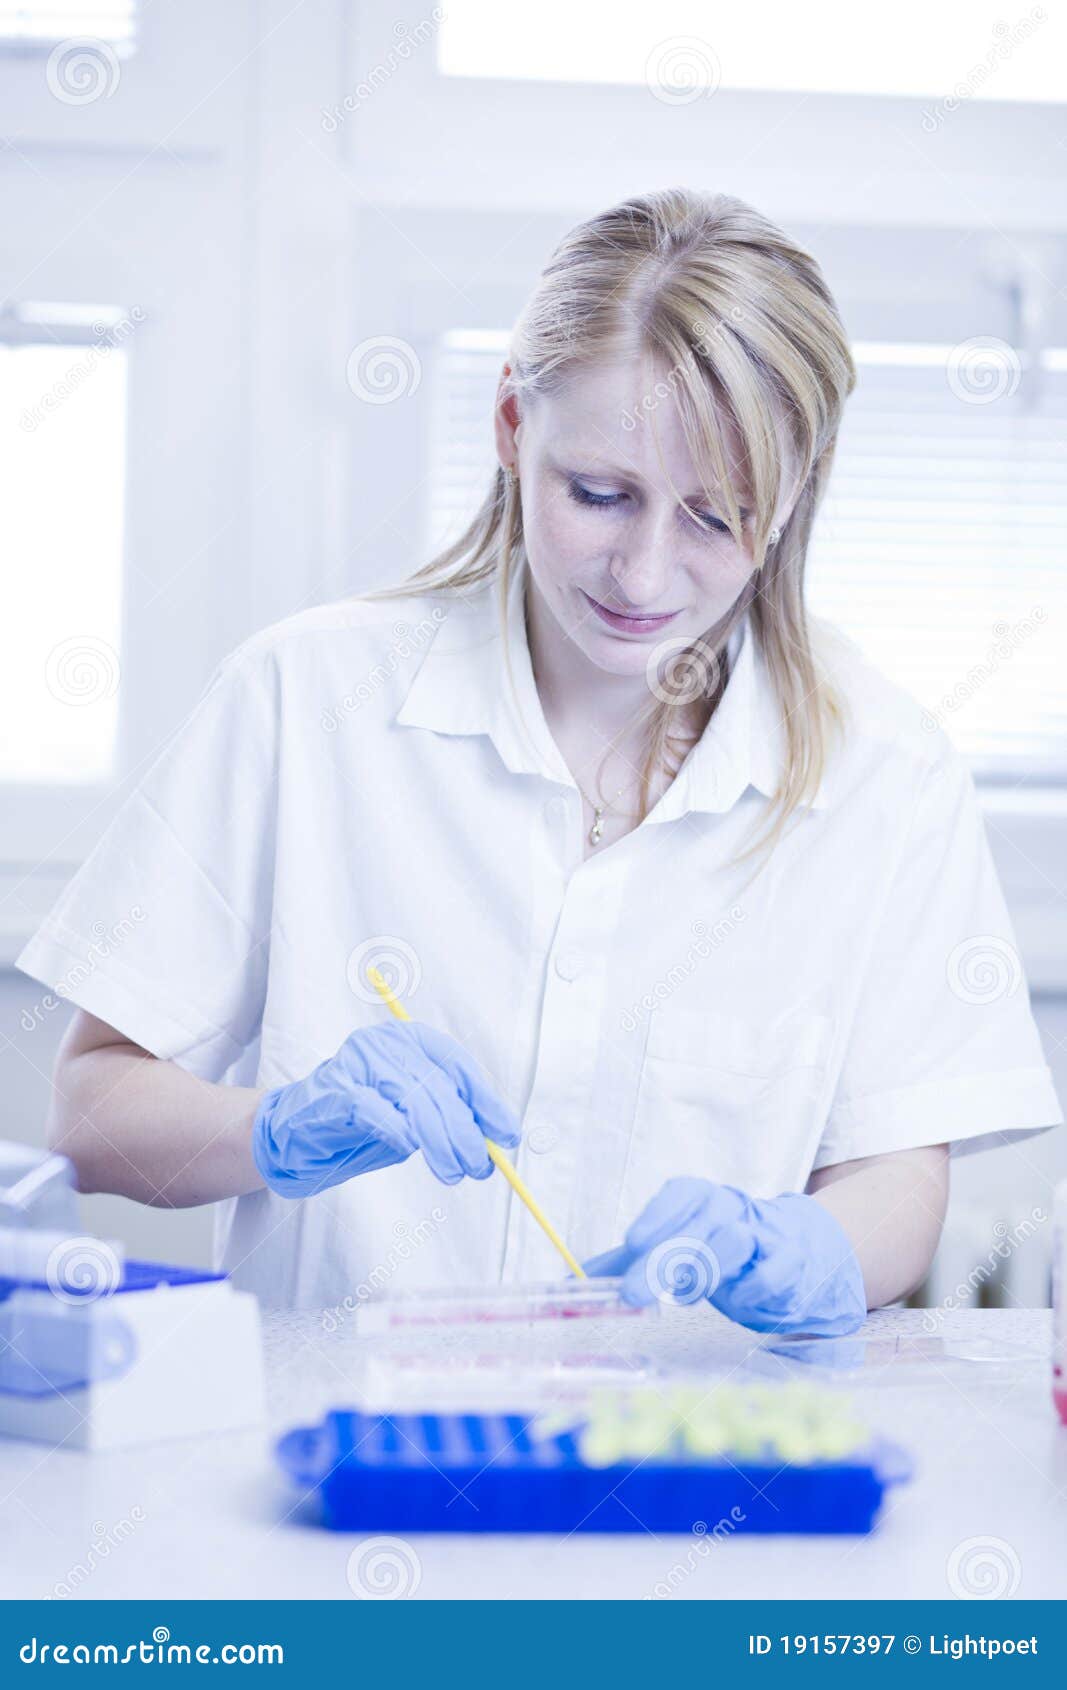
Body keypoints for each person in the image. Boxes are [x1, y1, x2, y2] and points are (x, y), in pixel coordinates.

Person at [17, 188, 1062, 1330]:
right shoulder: (305, 701)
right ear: (512, 425)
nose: (643, 576)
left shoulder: (885, 774)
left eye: (716, 518)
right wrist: (272, 1128)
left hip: (690, 1464)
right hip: (345, 1466)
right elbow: (90, 1114)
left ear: (793, 495)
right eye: (599, 495)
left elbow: (898, 1179)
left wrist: (803, 1246)